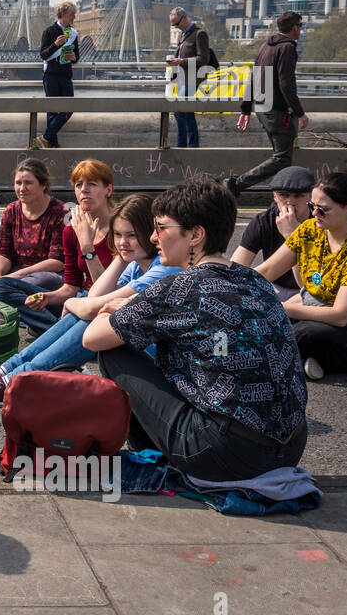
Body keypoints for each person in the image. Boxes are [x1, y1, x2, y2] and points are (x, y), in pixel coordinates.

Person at [82, 179, 308, 482]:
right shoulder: (254, 280)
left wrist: (116, 310)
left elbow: (91, 338)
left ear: (195, 235)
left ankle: (155, 456)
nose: (152, 237)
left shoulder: (178, 288)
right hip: (291, 447)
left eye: (161, 228)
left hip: (225, 453)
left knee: (114, 352)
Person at [0, 194, 180, 406]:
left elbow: (92, 305)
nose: (123, 242)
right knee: (86, 310)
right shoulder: (134, 263)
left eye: (131, 235)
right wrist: (119, 259)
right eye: (118, 235)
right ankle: (8, 371)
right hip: (127, 334)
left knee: (91, 316)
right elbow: (95, 296)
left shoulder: (162, 268)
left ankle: (19, 380)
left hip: (161, 359)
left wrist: (71, 302)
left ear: (149, 233)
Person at [256, 172, 347, 380]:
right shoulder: (309, 230)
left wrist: (282, 307)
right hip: (321, 319)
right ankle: (307, 361)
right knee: (266, 322)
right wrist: (228, 288)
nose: (314, 213)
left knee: (302, 333)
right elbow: (267, 271)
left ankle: (293, 360)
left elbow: (341, 315)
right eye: (312, 206)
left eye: (323, 210)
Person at [0, 158, 116, 334]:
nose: (84, 190)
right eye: (79, 185)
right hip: (78, 298)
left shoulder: (121, 227)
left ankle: (56, 331)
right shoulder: (71, 229)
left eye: (92, 184)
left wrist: (88, 247)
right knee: (1, 286)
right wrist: (45, 298)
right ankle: (57, 330)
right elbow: (71, 287)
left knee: (46, 282)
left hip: (109, 302)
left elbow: (108, 289)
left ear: (108, 190)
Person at [0, 157, 65, 308]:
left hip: (45, 274)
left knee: (40, 281)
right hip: (14, 271)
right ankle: (5, 299)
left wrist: (14, 277)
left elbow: (58, 262)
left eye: (28, 183)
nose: (22, 188)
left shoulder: (60, 212)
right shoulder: (11, 210)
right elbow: (3, 251)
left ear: (43, 185)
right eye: (18, 183)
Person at [225, 11, 308, 197]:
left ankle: (279, 198)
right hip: (277, 111)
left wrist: (246, 109)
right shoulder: (287, 48)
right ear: (294, 27)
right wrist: (300, 112)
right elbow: (286, 83)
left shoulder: (265, 46)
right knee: (282, 159)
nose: (301, 30)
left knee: (279, 157)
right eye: (300, 26)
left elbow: (252, 78)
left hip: (262, 108)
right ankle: (236, 184)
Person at [229, 166, 314, 302]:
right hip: (274, 287)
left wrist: (293, 236)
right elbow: (236, 268)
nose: (290, 202)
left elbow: (309, 285)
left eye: (299, 196)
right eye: (283, 195)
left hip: (308, 289)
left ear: (310, 196)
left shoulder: (320, 222)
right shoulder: (264, 221)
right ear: (275, 196)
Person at [34, 1, 79, 149]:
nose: (74, 17)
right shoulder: (49, 31)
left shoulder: (73, 33)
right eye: (72, 14)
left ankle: (46, 137)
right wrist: (55, 45)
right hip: (51, 76)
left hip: (66, 75)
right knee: (52, 110)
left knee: (69, 107)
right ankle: (52, 143)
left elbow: (77, 56)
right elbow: (44, 55)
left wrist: (74, 58)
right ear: (64, 14)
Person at [165, 7, 211, 148]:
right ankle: (188, 145)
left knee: (182, 111)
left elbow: (203, 59)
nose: (175, 27)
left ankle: (187, 145)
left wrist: (181, 61)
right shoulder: (183, 34)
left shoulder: (199, 34)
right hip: (182, 78)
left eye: (177, 23)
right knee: (184, 113)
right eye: (173, 25)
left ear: (184, 17)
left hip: (193, 79)